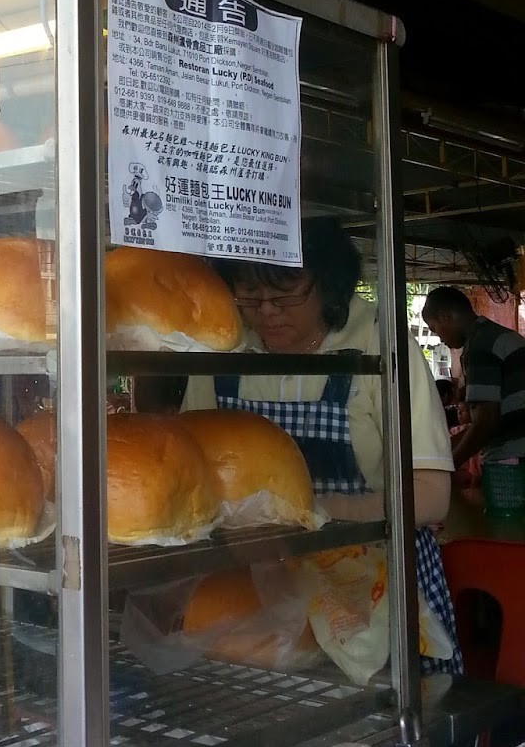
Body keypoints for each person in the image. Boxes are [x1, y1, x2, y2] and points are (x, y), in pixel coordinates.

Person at [183, 219, 461, 674]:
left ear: (328, 286)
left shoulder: (378, 341)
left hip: (377, 591)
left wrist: (316, 512)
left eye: (287, 294)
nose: (267, 312)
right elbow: (191, 466)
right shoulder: (226, 347)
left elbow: (432, 495)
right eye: (250, 295)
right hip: (261, 589)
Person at [421, 287, 525, 473]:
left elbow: (486, 422)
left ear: (446, 317)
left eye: (435, 330)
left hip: (515, 457)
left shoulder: (479, 347)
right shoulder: (500, 336)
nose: (440, 339)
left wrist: (448, 467)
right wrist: (440, 451)